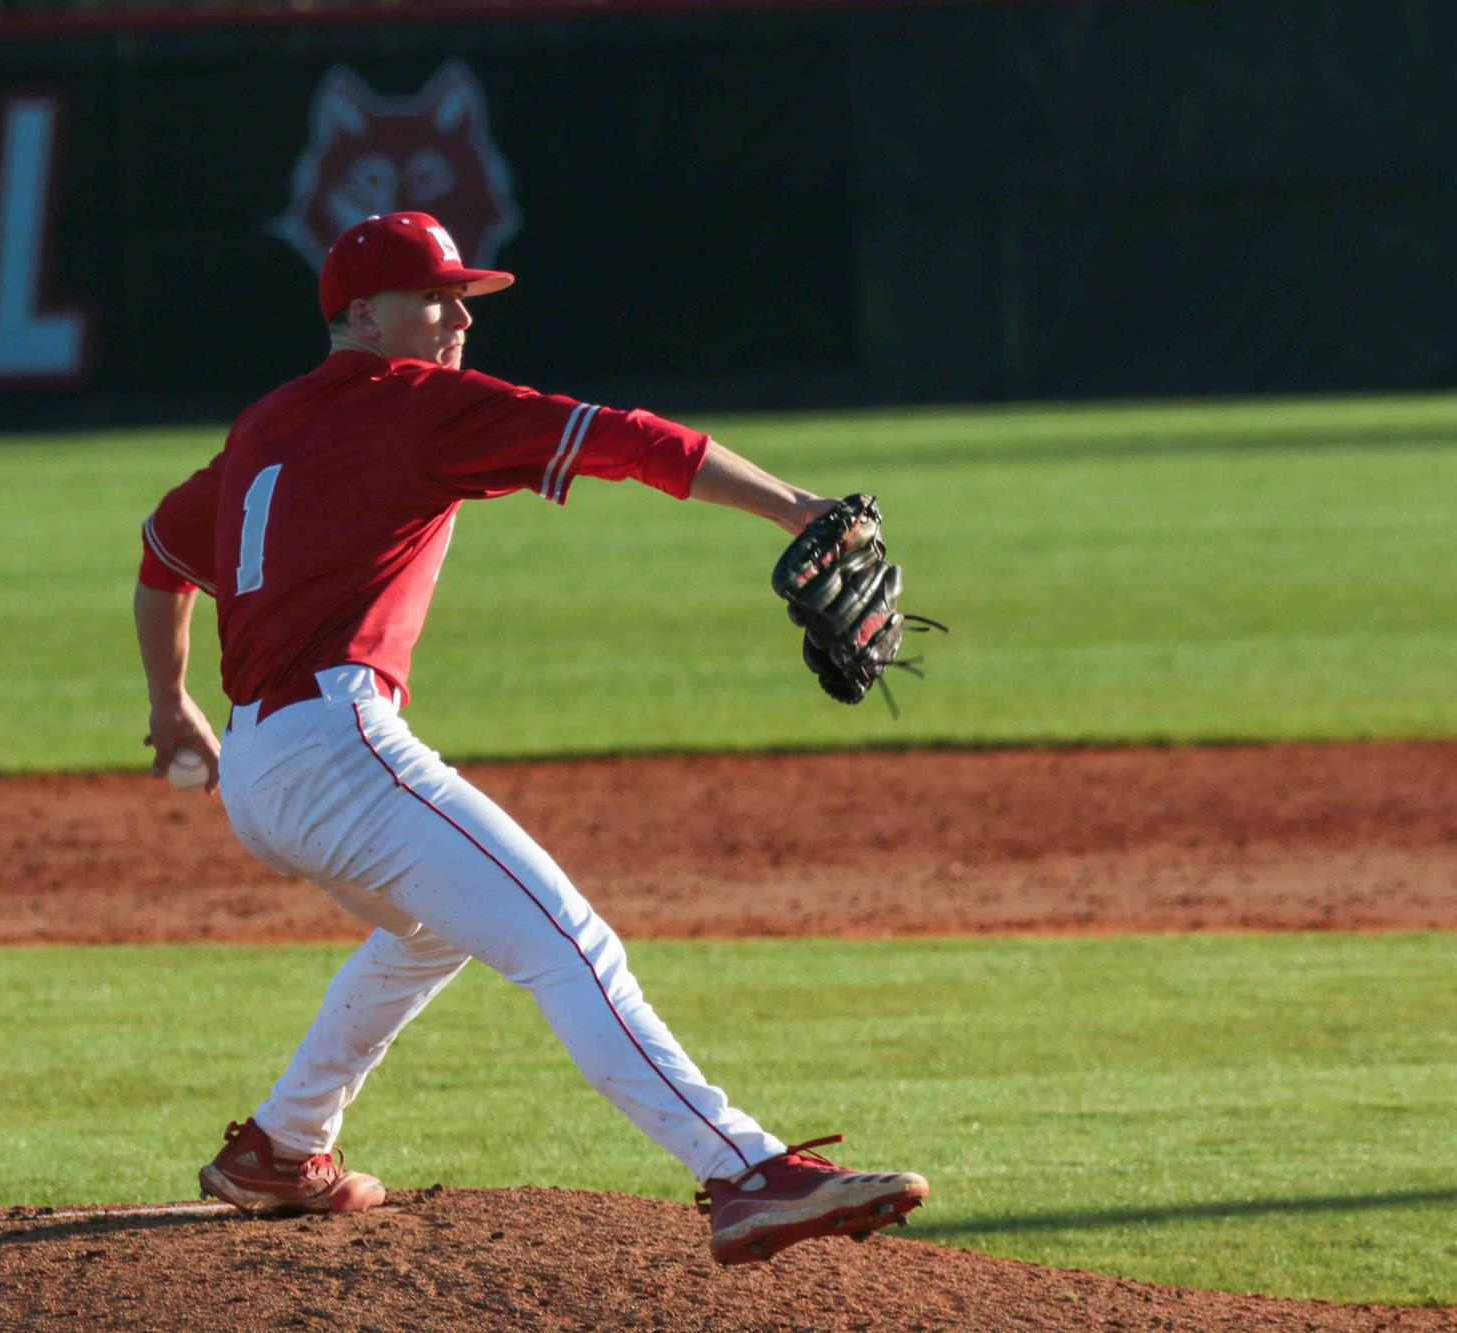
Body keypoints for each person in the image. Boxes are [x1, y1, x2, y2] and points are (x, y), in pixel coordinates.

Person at [133, 211, 926, 1264]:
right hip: (337, 750)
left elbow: (158, 552)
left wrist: (168, 705)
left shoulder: (265, 427)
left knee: (430, 929)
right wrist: (794, 506)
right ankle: (743, 1172)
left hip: (260, 772)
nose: (459, 317)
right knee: (569, 942)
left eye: (464, 298)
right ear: (360, 315)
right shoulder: (416, 404)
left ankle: (280, 1145)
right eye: (436, 298)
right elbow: (630, 439)